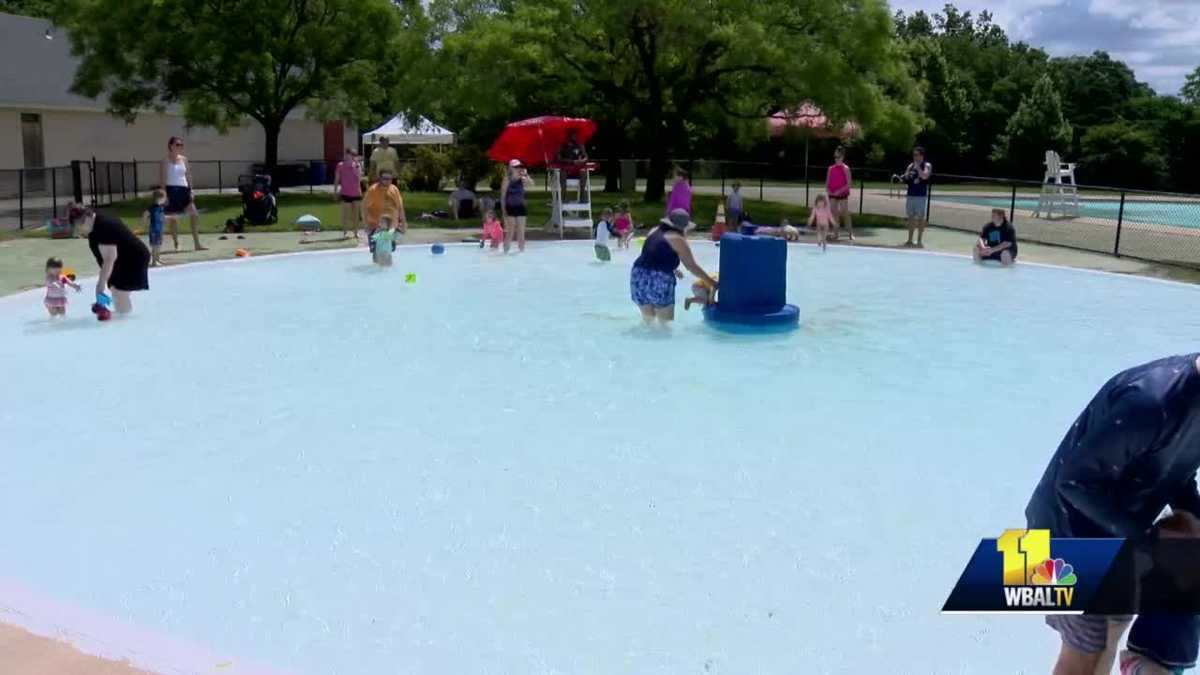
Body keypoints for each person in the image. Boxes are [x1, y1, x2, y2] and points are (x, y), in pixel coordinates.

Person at [1025, 354, 1200, 675]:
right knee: (1085, 657)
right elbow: (1073, 482)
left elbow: (1177, 471)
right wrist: (1145, 542)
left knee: (1109, 637)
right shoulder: (1150, 401)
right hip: (1060, 536)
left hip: (1118, 534)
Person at [630, 208, 718, 324]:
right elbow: (691, 266)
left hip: (638, 275)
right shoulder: (678, 239)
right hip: (660, 278)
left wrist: (674, 269)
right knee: (665, 324)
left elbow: (652, 254)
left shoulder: (653, 231)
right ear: (683, 227)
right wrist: (712, 282)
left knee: (648, 322)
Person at [69, 205, 151, 315]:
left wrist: (100, 286)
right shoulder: (95, 222)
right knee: (116, 290)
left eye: (79, 227)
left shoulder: (103, 226)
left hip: (133, 259)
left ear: (87, 218)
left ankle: (124, 318)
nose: (78, 232)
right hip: (122, 259)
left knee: (118, 292)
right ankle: (121, 314)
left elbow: (109, 258)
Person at [160, 136, 205, 251]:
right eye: (177, 144)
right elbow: (163, 180)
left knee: (194, 214)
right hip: (171, 190)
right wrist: (164, 196)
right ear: (171, 146)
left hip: (184, 190)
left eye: (181, 145)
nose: (180, 146)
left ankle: (197, 244)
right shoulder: (165, 161)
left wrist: (192, 190)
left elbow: (188, 175)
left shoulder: (184, 159)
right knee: (173, 219)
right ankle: (176, 243)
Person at [363, 170, 406, 255]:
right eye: (385, 178)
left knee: (388, 251)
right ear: (380, 178)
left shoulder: (394, 189)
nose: (388, 181)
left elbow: (400, 207)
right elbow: (364, 208)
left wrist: (404, 223)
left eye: (390, 179)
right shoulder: (373, 190)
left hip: (391, 227)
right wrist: (366, 224)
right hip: (375, 226)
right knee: (376, 251)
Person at [898, 146, 932, 247]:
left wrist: (918, 168)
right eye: (914, 155)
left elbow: (925, 176)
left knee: (920, 218)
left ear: (922, 156)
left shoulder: (927, 165)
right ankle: (909, 240)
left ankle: (919, 241)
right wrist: (904, 178)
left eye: (916, 155)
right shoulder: (910, 166)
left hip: (920, 196)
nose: (914, 157)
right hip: (910, 195)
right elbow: (906, 177)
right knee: (910, 217)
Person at [501, 159, 533, 253]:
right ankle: (505, 252)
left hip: (520, 207)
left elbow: (531, 184)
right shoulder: (507, 179)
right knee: (510, 231)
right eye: (516, 167)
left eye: (519, 166)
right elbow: (503, 196)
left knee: (521, 231)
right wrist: (503, 210)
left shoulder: (522, 178)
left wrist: (526, 175)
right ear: (511, 168)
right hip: (510, 207)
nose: (518, 168)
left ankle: (521, 252)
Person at [335, 148, 364, 240]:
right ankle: (345, 232)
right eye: (348, 154)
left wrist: (356, 166)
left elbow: (359, 178)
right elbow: (337, 179)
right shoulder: (340, 165)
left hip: (356, 193)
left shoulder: (357, 165)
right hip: (345, 193)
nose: (349, 157)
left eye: (352, 155)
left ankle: (356, 232)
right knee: (345, 214)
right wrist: (335, 191)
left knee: (355, 214)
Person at [827, 146, 854, 241]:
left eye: (838, 157)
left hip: (842, 194)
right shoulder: (831, 168)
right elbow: (827, 182)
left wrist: (840, 191)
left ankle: (850, 233)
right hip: (832, 194)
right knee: (834, 213)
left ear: (842, 157)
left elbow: (849, 183)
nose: (836, 159)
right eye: (835, 157)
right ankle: (836, 234)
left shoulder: (846, 168)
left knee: (845, 213)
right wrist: (829, 190)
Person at [556, 129, 588, 199]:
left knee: (583, 172)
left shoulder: (580, 145)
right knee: (562, 172)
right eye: (571, 135)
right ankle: (564, 195)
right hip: (566, 168)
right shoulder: (562, 146)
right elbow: (559, 158)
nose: (573, 136)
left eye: (574, 135)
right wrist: (572, 161)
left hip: (577, 169)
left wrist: (581, 161)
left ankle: (582, 195)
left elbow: (586, 157)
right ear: (568, 136)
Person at [141, 188, 167, 266]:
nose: (165, 200)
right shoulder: (152, 207)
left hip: (159, 228)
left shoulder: (161, 207)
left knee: (159, 244)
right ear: (160, 198)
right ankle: (154, 261)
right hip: (154, 229)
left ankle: (158, 259)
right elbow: (145, 214)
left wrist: (164, 220)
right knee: (155, 245)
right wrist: (144, 223)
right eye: (164, 198)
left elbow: (162, 217)